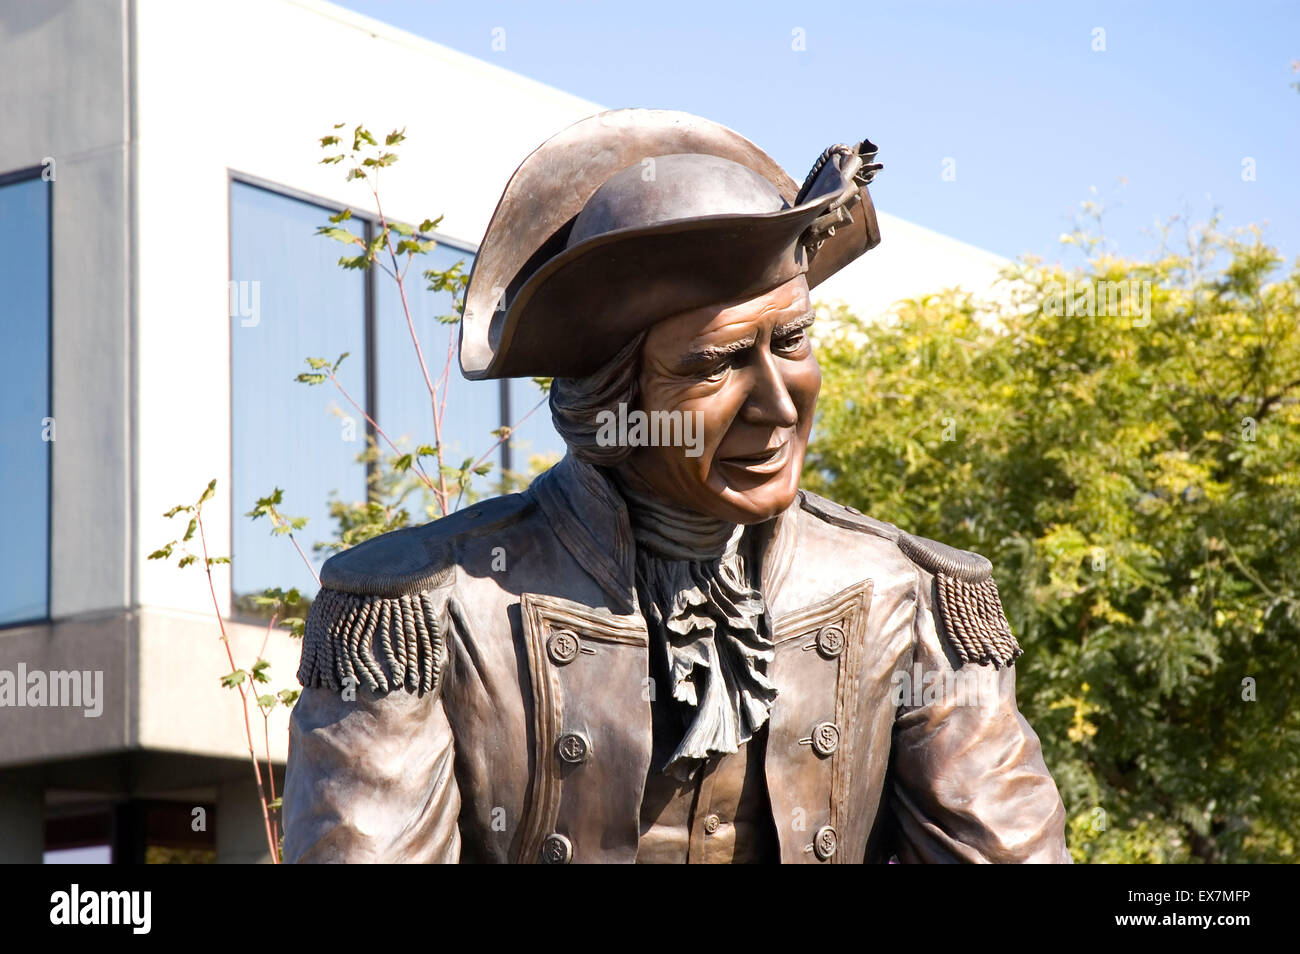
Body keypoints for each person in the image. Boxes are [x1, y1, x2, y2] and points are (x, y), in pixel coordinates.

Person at [283, 108, 1070, 864]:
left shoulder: (911, 598)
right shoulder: (423, 612)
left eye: (791, 341)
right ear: (614, 403)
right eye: (715, 363)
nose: (777, 402)